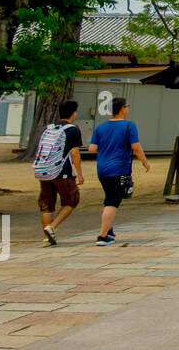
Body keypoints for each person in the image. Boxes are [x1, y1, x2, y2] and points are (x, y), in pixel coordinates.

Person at [87, 97, 150, 245]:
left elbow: (92, 149)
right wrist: (145, 162)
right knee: (112, 201)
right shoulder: (129, 126)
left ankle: (109, 231)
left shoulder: (100, 127)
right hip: (118, 168)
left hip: (102, 169)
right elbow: (136, 146)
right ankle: (102, 236)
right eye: (127, 106)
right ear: (122, 108)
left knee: (109, 197)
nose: (127, 109)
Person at [36, 100, 83, 246]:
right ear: (73, 113)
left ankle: (47, 238)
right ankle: (52, 227)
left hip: (44, 170)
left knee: (47, 205)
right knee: (71, 200)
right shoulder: (72, 129)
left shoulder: (48, 128)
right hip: (62, 172)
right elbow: (74, 153)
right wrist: (79, 173)